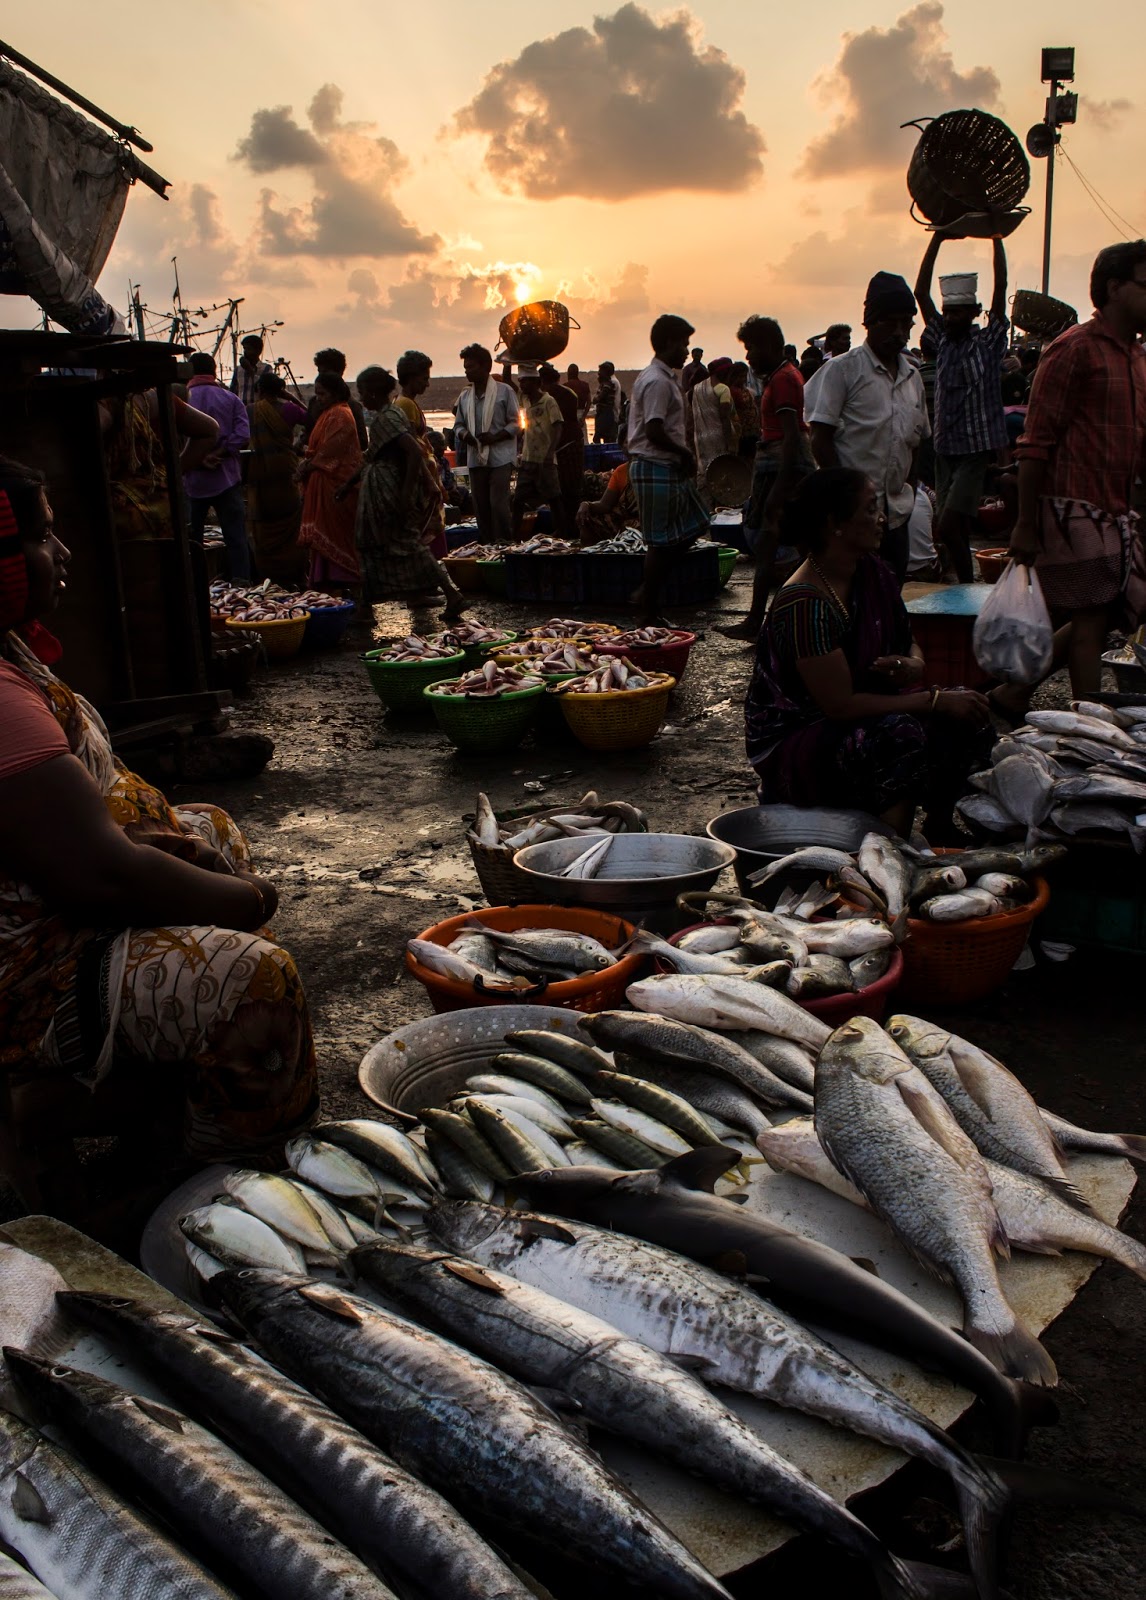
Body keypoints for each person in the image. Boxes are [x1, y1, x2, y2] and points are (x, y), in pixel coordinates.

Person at [0, 458, 318, 1163]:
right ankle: (215, 1174)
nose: (63, 553)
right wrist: (249, 901)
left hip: (52, 900)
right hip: (27, 974)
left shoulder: (10, 647)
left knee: (208, 826)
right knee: (258, 978)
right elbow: (100, 881)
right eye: (42, 537)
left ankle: (168, 1089)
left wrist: (155, 841)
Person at [743, 468, 992, 840]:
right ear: (834, 524)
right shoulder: (805, 603)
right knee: (900, 735)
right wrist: (933, 699)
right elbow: (839, 706)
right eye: (870, 509)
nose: (881, 519)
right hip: (799, 738)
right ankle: (889, 848)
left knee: (971, 713)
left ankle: (940, 827)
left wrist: (914, 665)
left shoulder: (872, 572)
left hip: (866, 711)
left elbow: (909, 640)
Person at [1010, 240, 1146, 696]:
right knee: (1091, 619)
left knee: (1111, 610)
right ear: (1114, 288)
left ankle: (1012, 691)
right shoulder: (1074, 350)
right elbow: (1035, 442)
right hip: (1074, 509)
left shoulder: (1136, 357)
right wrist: (1026, 524)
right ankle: (1090, 723)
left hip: (1118, 509)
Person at [804, 271, 930, 585]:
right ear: (870, 323)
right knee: (853, 598)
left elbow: (915, 444)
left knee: (889, 594)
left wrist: (910, 494)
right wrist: (847, 497)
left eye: (906, 324)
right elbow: (820, 439)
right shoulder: (842, 370)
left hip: (897, 515)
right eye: (891, 323)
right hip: (853, 520)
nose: (900, 333)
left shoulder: (912, 378)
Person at [915, 235, 1009, 582]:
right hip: (944, 448)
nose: (951, 318)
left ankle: (966, 584)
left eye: (958, 312)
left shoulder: (988, 342)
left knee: (949, 522)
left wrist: (997, 239)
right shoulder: (941, 339)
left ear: (974, 313)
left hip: (972, 451)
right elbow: (921, 293)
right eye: (948, 312)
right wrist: (937, 238)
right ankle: (965, 583)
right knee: (952, 526)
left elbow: (1002, 290)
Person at [722, 316, 815, 642]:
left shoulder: (785, 380)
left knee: (770, 544)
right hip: (778, 469)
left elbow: (791, 437)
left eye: (752, 349)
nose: (748, 357)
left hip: (781, 471)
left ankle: (759, 622)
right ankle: (767, 620)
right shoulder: (781, 376)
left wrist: (777, 493)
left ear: (772, 346)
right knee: (786, 548)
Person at [347, 367, 466, 620]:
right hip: (384, 489)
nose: (361, 399)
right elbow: (372, 455)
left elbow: (413, 452)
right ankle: (369, 602)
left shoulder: (389, 418)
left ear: (373, 393)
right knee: (380, 545)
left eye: (362, 393)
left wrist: (405, 493)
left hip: (388, 492)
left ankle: (448, 595)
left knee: (401, 545)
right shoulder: (390, 415)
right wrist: (348, 484)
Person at [627, 314, 712, 621]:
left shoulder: (664, 378)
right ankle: (649, 606)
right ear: (667, 343)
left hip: (667, 467)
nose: (687, 351)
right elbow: (653, 430)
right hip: (654, 466)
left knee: (697, 523)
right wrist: (685, 453)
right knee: (659, 543)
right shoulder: (657, 381)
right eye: (683, 344)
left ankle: (647, 591)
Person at [183, 352, 252, 582]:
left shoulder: (181, 400)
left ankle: (194, 586)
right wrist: (218, 453)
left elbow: (172, 437)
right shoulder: (231, 399)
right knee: (236, 538)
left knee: (191, 541)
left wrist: (199, 458)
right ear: (213, 371)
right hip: (227, 479)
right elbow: (242, 435)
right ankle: (242, 584)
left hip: (192, 481)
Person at [298, 373, 362, 588]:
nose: (319, 398)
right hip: (322, 481)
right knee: (323, 533)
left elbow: (330, 451)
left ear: (334, 393)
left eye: (322, 394)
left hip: (337, 483)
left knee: (338, 534)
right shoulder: (328, 414)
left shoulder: (341, 415)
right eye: (317, 394)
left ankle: (347, 582)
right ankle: (325, 581)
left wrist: (306, 466)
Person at [453, 344, 519, 545]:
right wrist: (467, 437)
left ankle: (504, 545)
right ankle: (487, 547)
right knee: (481, 507)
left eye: (471, 367)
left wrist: (496, 437)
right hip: (476, 459)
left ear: (486, 367)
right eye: (465, 368)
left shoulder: (504, 392)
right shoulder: (465, 397)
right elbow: (458, 425)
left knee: (498, 505)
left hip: (500, 458)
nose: (467, 372)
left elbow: (516, 423)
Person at [248, 372, 309, 587]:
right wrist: (292, 398)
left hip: (260, 479)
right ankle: (296, 576)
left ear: (260, 391)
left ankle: (268, 578)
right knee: (291, 529)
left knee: (263, 531)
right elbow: (312, 419)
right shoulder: (289, 409)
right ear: (280, 390)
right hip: (287, 475)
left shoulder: (250, 411)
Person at [394, 350, 447, 560]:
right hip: (421, 481)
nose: (427, 384)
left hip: (424, 478)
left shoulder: (404, 402)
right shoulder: (405, 404)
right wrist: (431, 482)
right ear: (412, 377)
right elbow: (414, 448)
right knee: (426, 535)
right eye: (424, 379)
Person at [512, 366, 566, 538]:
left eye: (525, 381)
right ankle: (514, 534)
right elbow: (509, 384)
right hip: (528, 458)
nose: (522, 385)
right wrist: (508, 364)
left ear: (536, 382)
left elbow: (558, 426)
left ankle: (562, 532)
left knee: (554, 497)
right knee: (518, 498)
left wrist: (550, 452)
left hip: (546, 459)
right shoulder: (524, 399)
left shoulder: (548, 401)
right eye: (520, 381)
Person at [540, 363, 584, 538]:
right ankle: (568, 529)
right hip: (572, 443)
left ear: (544, 381)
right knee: (569, 489)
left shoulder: (550, 396)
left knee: (567, 490)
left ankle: (569, 530)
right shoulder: (567, 392)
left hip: (567, 446)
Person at [305, 350, 369, 449]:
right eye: (319, 372)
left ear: (339, 373)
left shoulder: (352, 407)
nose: (320, 376)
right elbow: (308, 434)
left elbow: (362, 443)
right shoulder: (314, 403)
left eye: (325, 372)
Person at [688, 356, 738, 478]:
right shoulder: (723, 389)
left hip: (700, 438)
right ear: (725, 372)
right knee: (722, 474)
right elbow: (724, 417)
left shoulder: (696, 389)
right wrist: (730, 443)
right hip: (719, 438)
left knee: (705, 474)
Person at [576, 451, 639, 545]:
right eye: (625, 443)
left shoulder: (654, 469)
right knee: (588, 519)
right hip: (624, 519)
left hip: (647, 520)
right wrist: (586, 504)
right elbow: (605, 504)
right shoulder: (621, 471)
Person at [230, 334, 272, 411]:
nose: (245, 352)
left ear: (258, 351)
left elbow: (266, 388)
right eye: (244, 349)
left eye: (249, 349)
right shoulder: (238, 370)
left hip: (259, 412)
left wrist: (250, 370)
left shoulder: (266, 369)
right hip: (242, 411)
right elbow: (233, 392)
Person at [729, 362, 761, 459]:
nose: (743, 379)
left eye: (744, 376)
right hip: (742, 433)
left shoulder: (744, 390)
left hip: (752, 431)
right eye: (741, 376)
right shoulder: (732, 391)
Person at [594, 362, 622, 443]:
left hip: (607, 415)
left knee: (605, 439)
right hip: (606, 415)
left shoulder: (610, 383)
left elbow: (598, 398)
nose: (598, 373)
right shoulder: (607, 383)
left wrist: (596, 399)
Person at [564, 363, 592, 441]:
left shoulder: (565, 386)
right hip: (581, 414)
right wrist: (583, 417)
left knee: (571, 440)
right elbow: (589, 402)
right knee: (583, 440)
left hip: (570, 416)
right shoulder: (585, 385)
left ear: (568, 373)